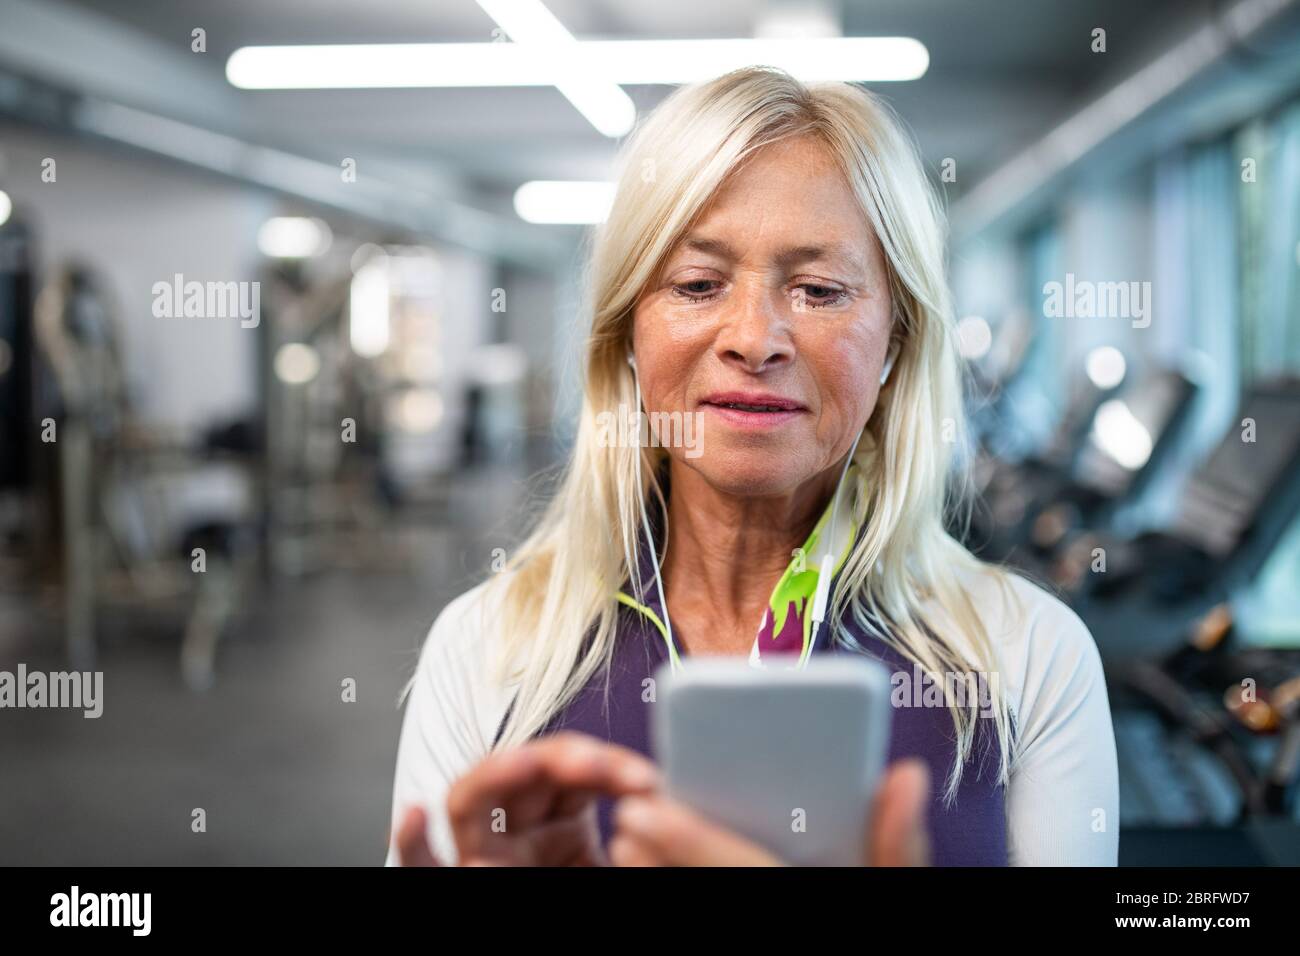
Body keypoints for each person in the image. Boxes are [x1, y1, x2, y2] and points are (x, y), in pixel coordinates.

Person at [386, 67, 1118, 867]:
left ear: (897, 341)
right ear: (627, 333)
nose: (754, 339)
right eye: (697, 284)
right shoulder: (486, 651)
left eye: (817, 290)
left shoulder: (1029, 658)